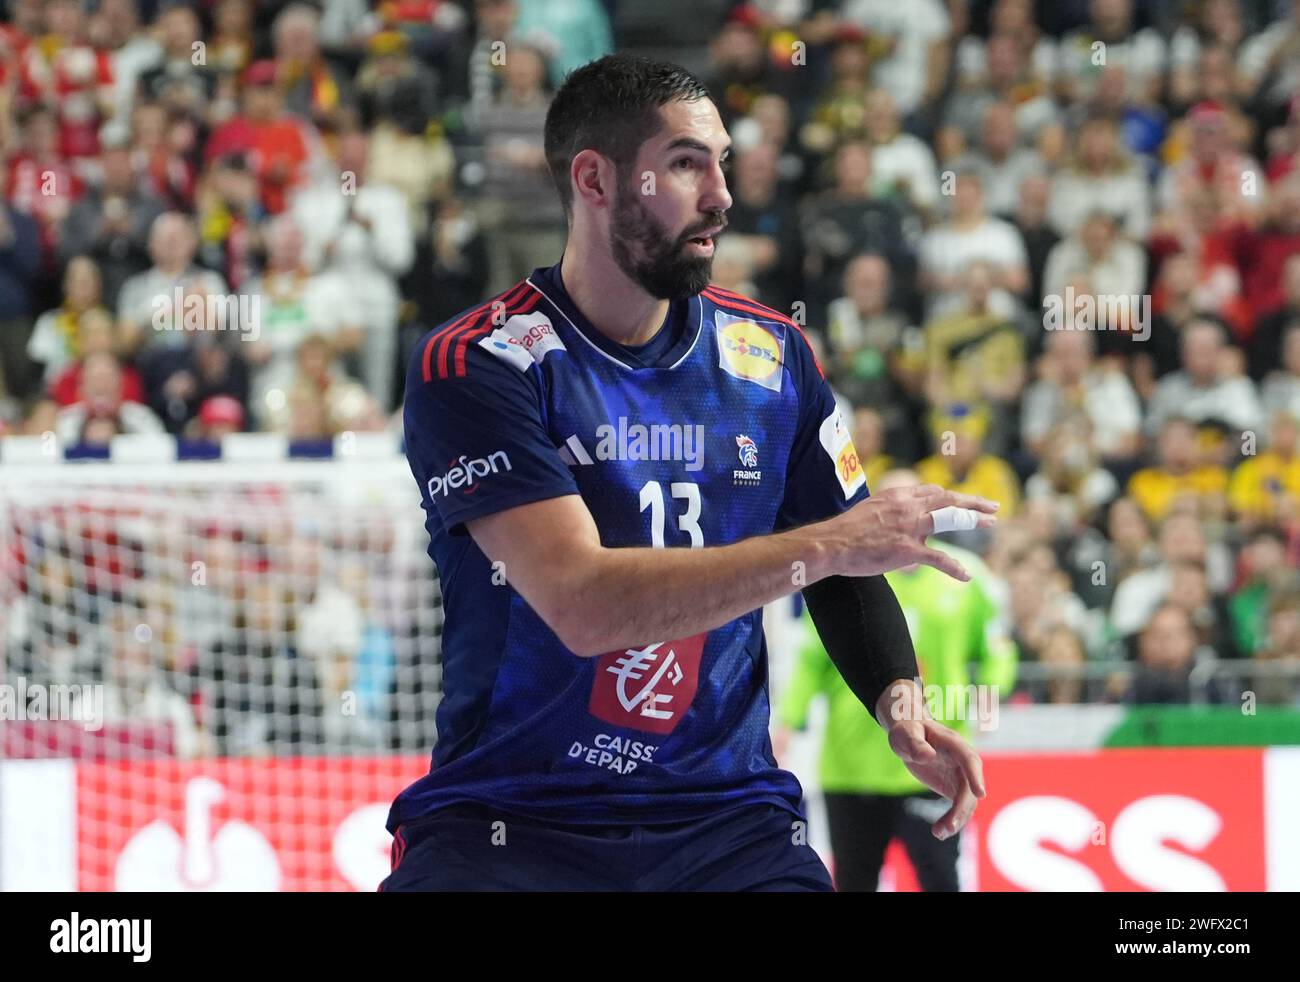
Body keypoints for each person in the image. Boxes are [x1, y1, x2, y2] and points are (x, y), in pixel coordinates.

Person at [382, 54, 997, 893]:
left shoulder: (772, 354)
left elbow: (847, 573)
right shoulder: (479, 362)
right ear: (594, 181)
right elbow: (584, 603)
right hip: (512, 825)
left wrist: (897, 697)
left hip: (726, 823)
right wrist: (825, 545)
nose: (722, 194)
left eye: (723, 162)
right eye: (684, 164)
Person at [775, 469, 1017, 892]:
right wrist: (786, 722)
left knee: (941, 879)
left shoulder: (965, 576)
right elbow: (814, 658)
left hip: (933, 760)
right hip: (852, 765)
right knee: (853, 881)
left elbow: (996, 649)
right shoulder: (845, 573)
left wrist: (989, 696)